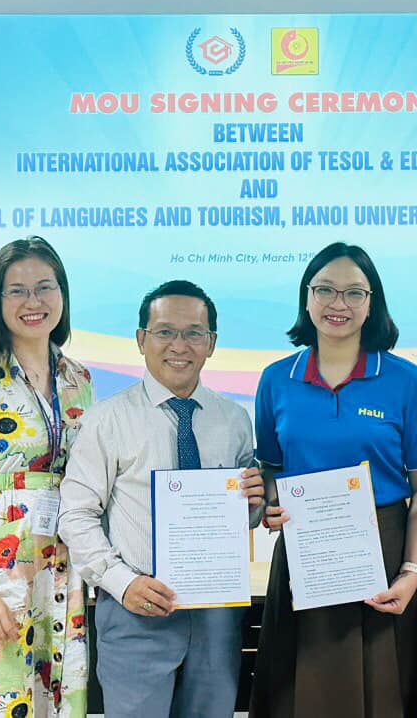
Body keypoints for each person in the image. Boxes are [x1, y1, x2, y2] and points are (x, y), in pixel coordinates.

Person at [59, 280, 265, 718]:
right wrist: (122, 583)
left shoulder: (233, 420)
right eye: (165, 331)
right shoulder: (107, 420)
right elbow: (76, 515)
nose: (180, 345)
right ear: (141, 339)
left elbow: (246, 512)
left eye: (194, 333)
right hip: (136, 609)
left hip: (215, 615)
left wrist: (254, 503)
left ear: (211, 344)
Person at [251, 242, 417, 718]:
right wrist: (271, 500)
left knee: (385, 693)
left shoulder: (406, 381)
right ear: (306, 298)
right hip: (304, 553)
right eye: (326, 290)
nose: (339, 304)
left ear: (372, 302)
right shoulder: (277, 380)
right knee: (299, 692)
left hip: (384, 552)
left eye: (354, 292)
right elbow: (272, 468)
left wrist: (413, 573)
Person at [0, 237, 95, 718]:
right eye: (17, 291)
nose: (34, 302)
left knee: (57, 700)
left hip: (60, 571)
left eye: (45, 287)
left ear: (62, 296)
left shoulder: (79, 379)